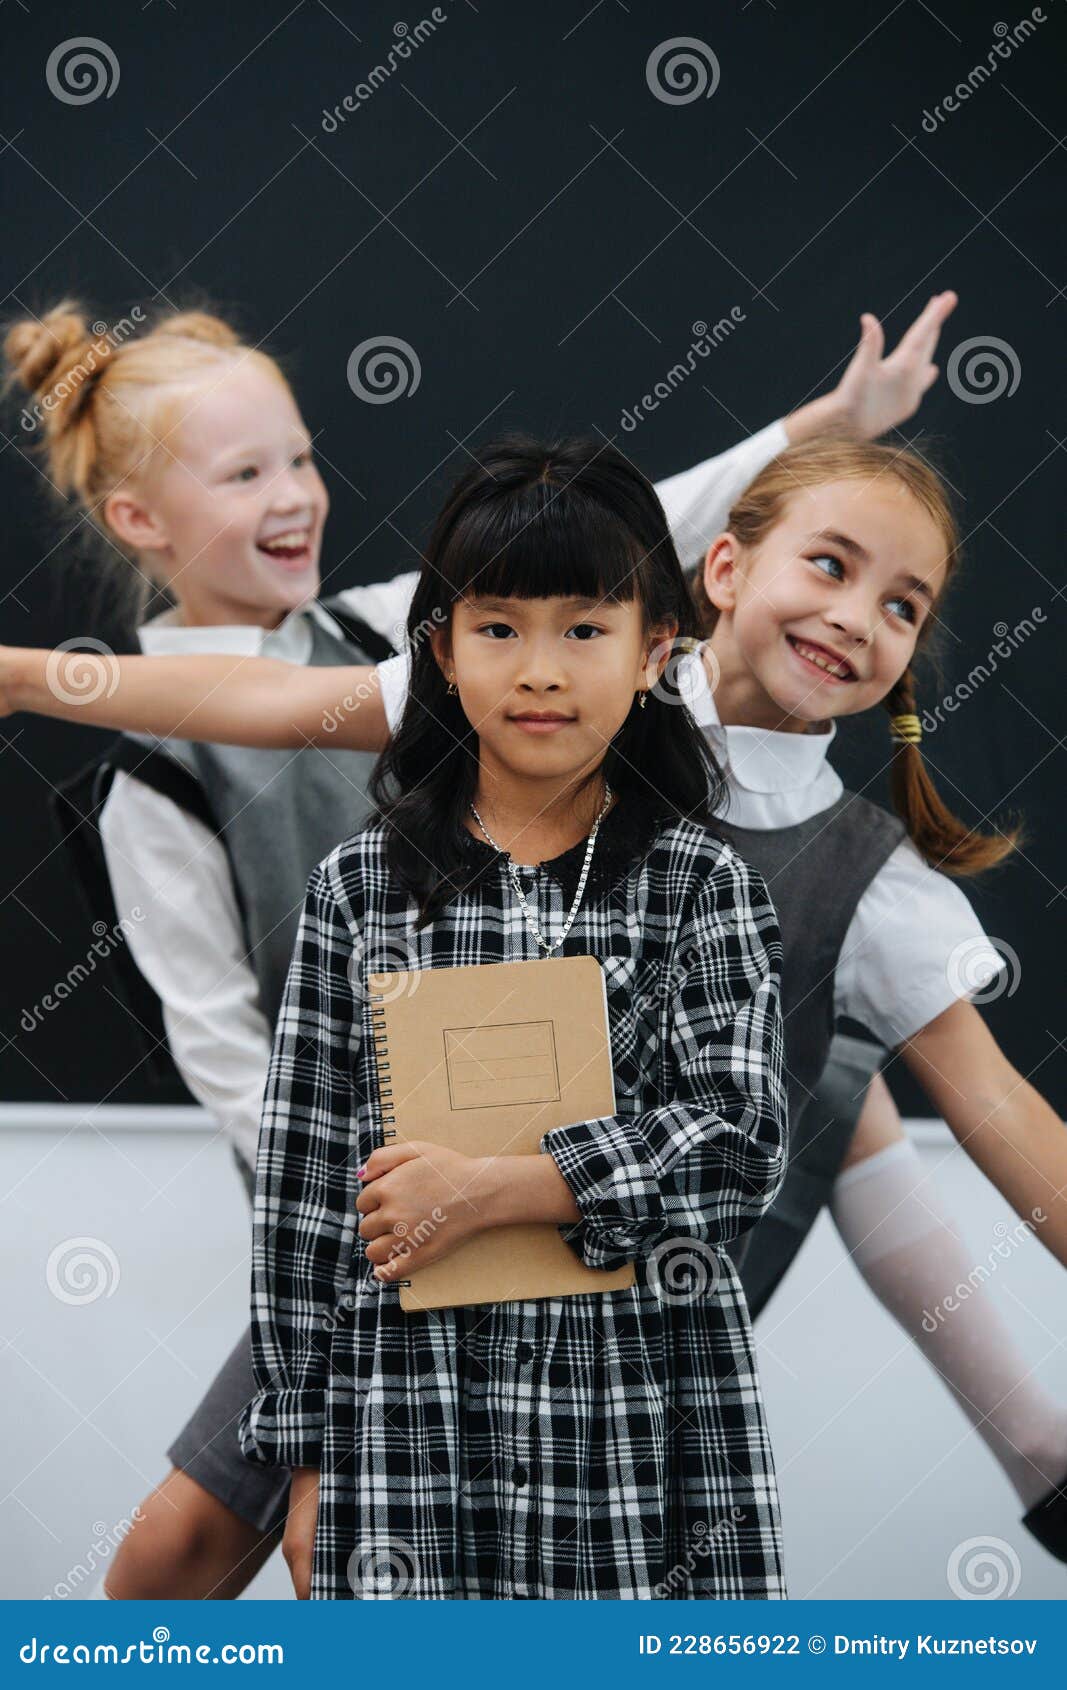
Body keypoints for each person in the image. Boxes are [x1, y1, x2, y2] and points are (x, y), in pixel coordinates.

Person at [5, 294, 949, 1596]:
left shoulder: (403, 627)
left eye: (298, 455)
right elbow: (250, 1081)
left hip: (565, 1181)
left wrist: (825, 426)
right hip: (377, 1203)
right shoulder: (192, 788)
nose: (292, 493)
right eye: (243, 473)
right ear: (137, 522)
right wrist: (352, 1297)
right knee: (197, 1549)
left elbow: (621, 533)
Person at [239, 432, 790, 1599]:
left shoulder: (701, 884)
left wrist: (504, 1186)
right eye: (497, 628)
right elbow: (301, 1192)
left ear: (655, 653)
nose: (539, 669)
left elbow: (739, 1144)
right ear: (439, 652)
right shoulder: (359, 890)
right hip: (410, 1412)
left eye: (584, 630)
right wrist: (305, 1457)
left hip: (640, 1413)